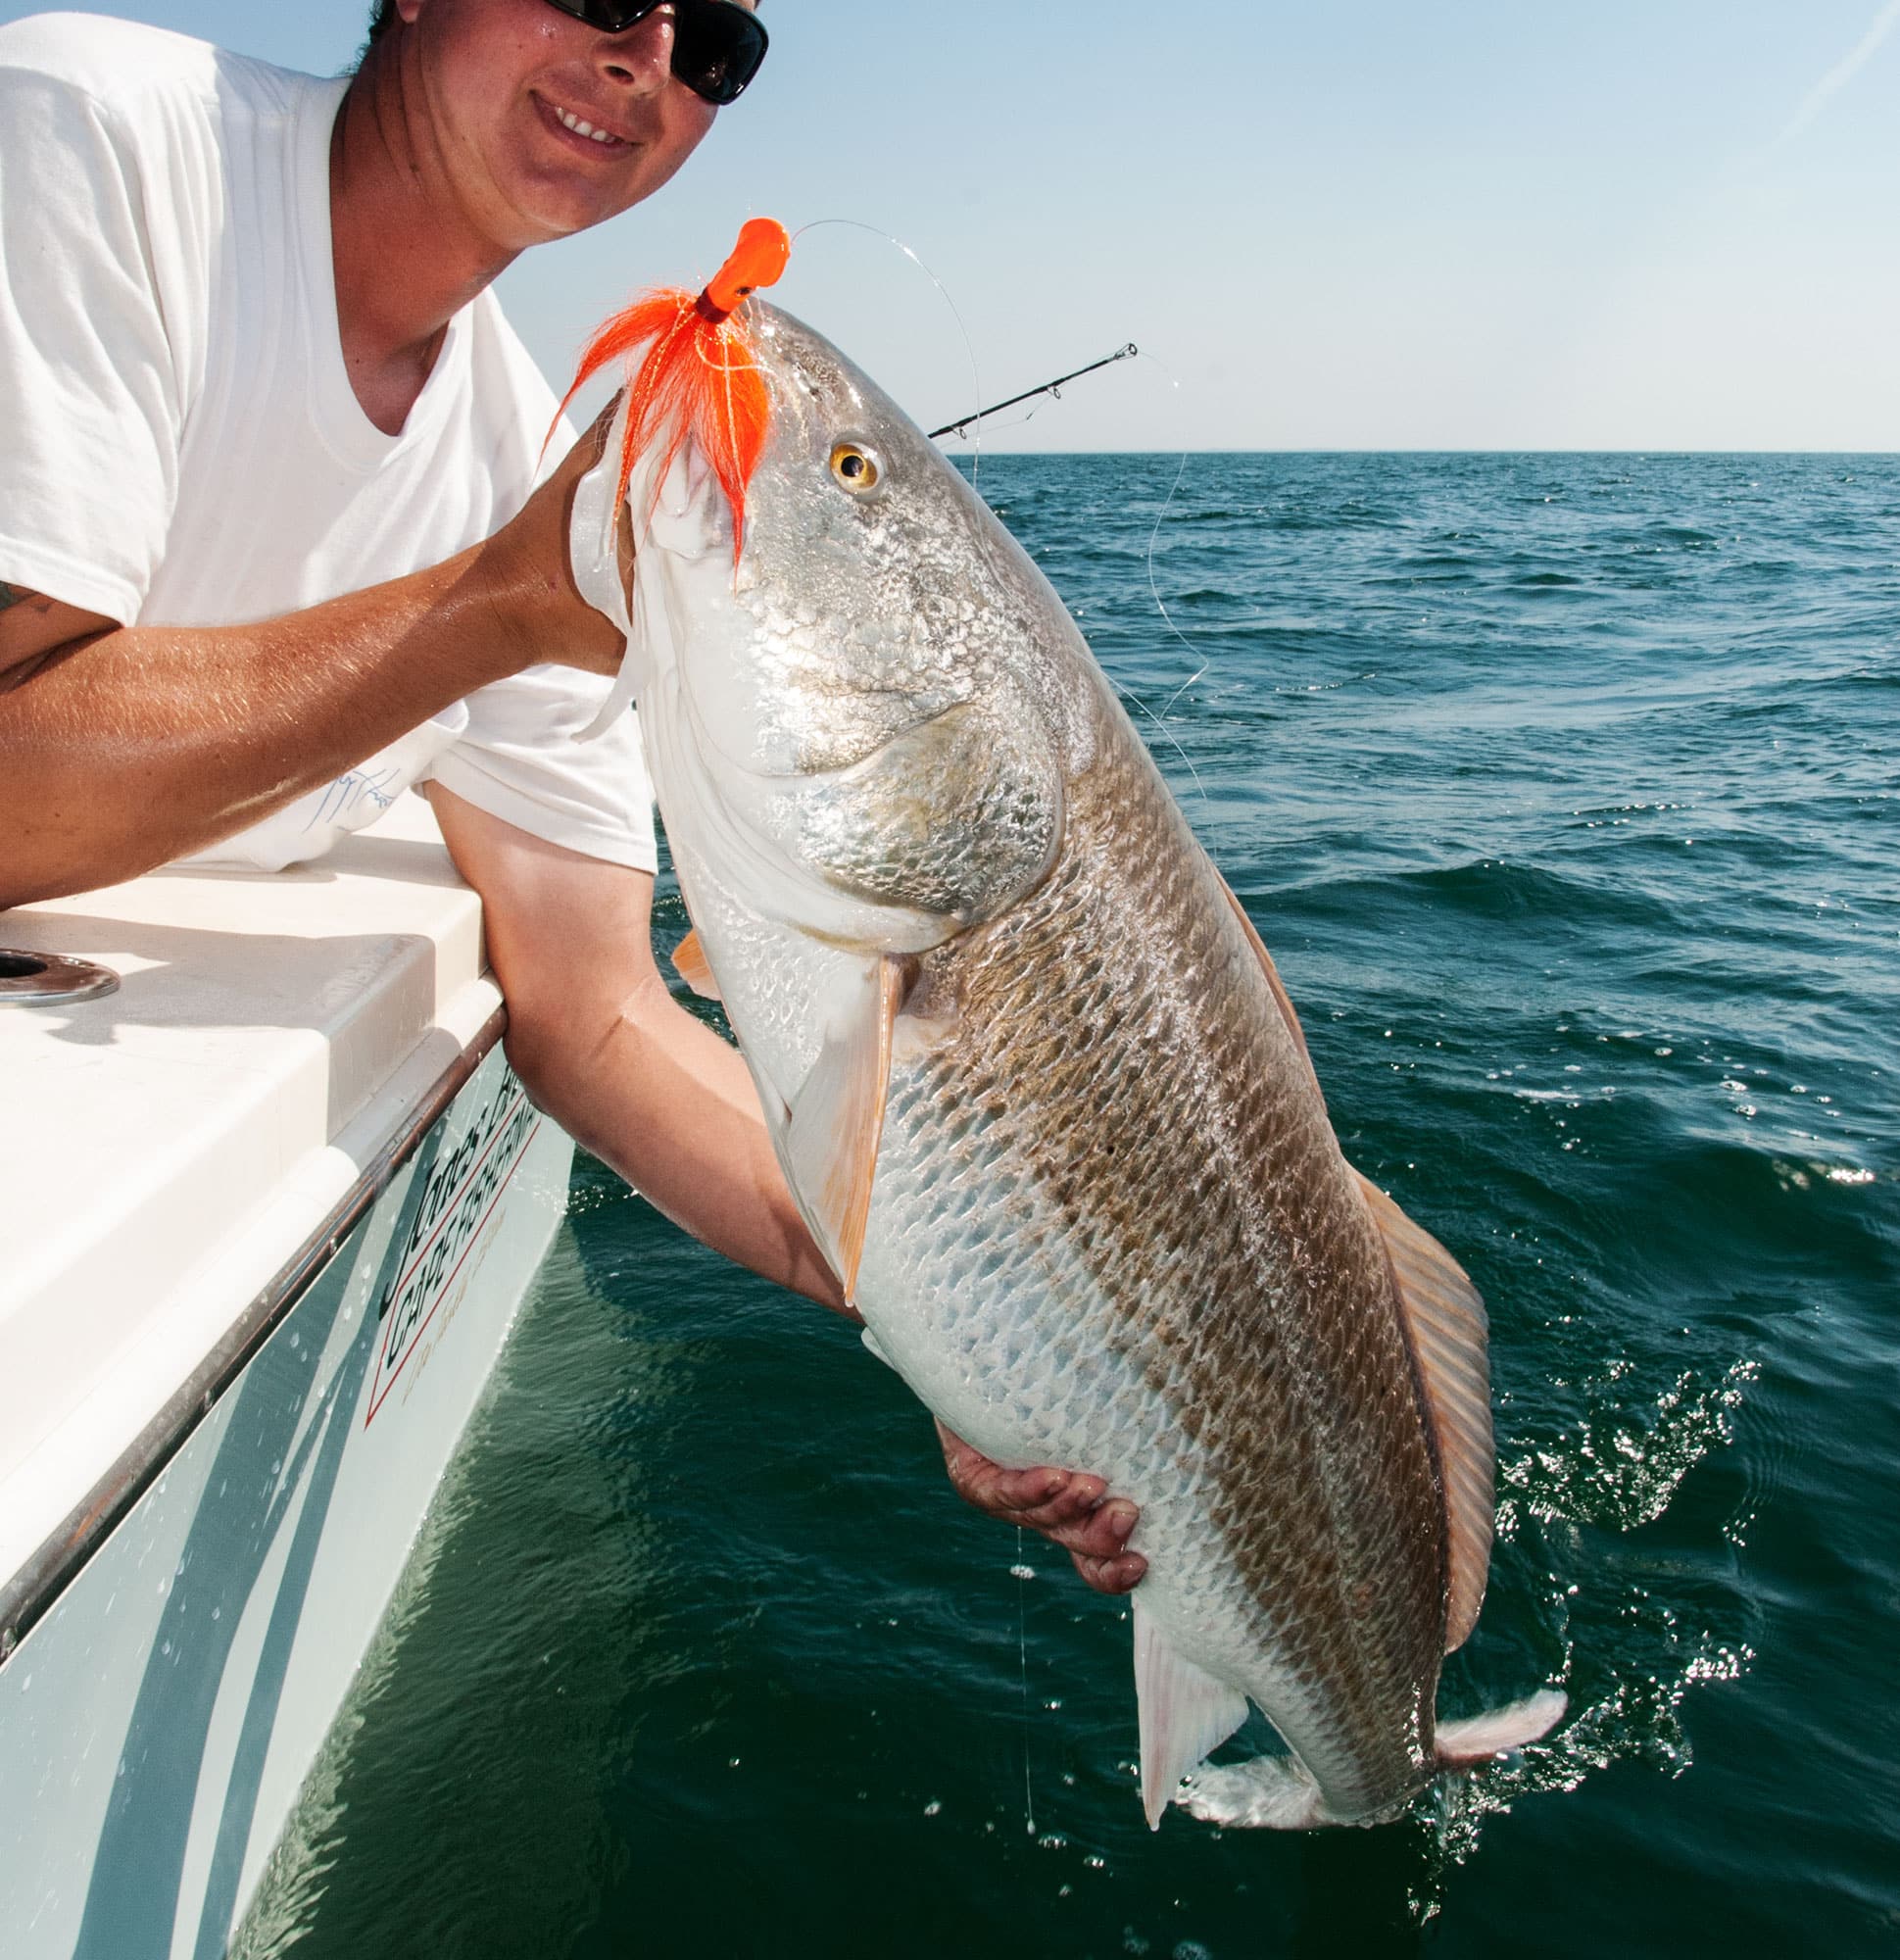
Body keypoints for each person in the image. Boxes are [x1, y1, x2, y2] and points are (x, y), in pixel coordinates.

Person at [0, 0, 1145, 1594]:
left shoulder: (525, 450)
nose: (648, 62)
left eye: (715, 51)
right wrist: (504, 602)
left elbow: (598, 1012)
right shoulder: (90, 127)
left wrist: (976, 1337)